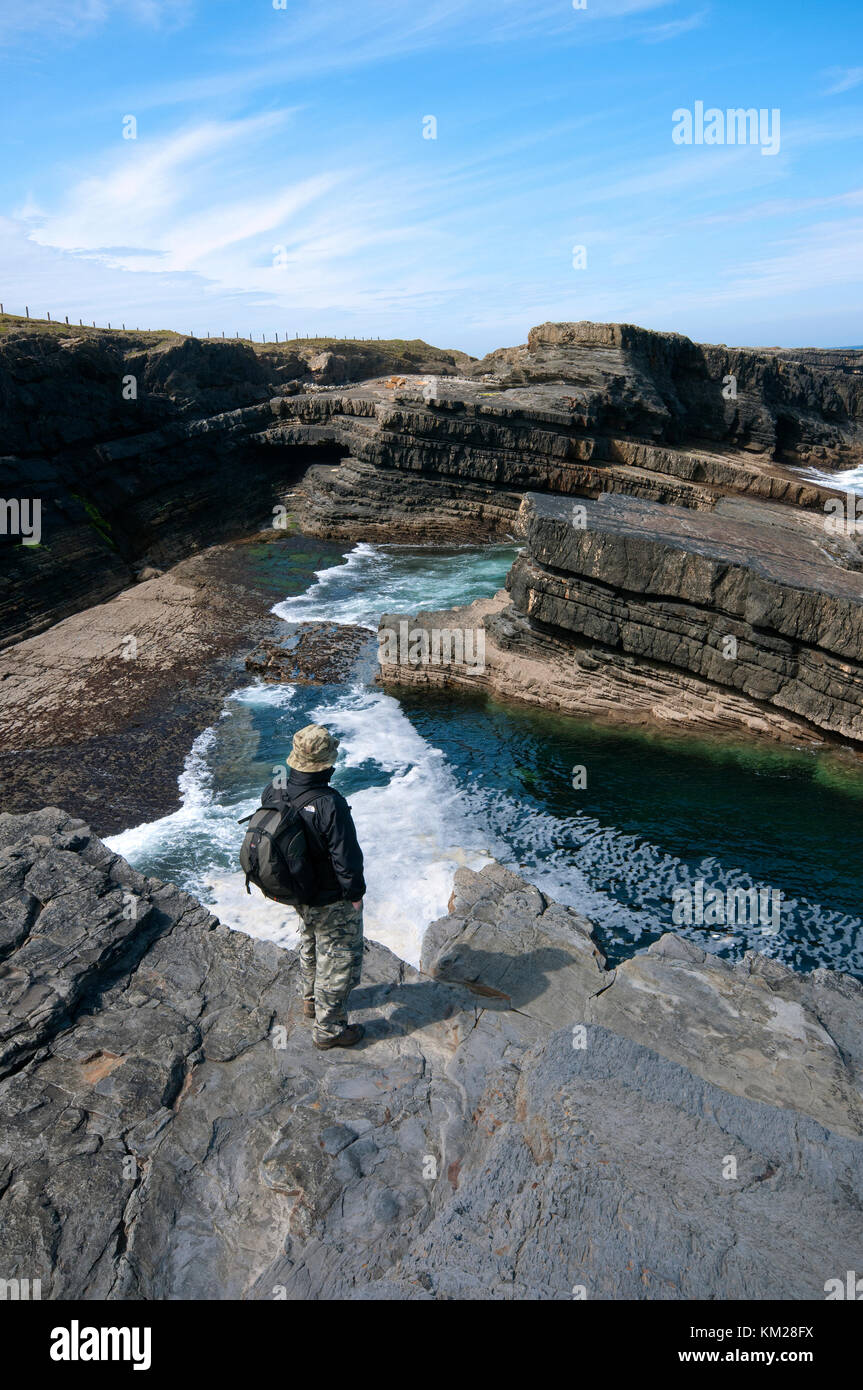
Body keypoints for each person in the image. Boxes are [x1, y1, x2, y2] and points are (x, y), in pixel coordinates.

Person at [261, 723, 366, 1049]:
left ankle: (310, 1001)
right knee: (337, 958)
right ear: (326, 765)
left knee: (310, 940)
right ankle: (329, 1031)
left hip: (295, 890)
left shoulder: (274, 788)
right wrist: (355, 895)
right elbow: (346, 858)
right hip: (329, 897)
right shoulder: (329, 803)